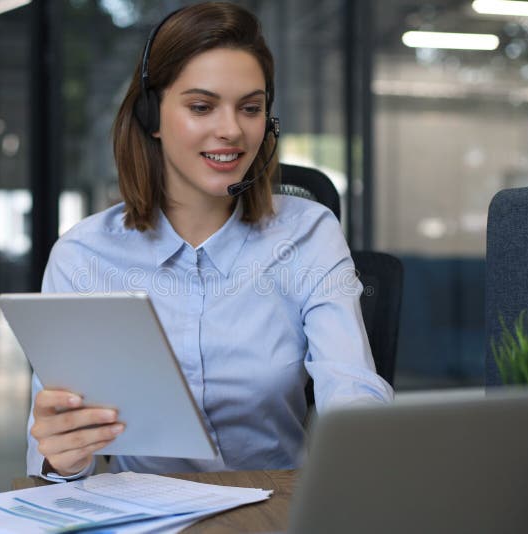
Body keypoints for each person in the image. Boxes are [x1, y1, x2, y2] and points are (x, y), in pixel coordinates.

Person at [27, 1, 393, 481]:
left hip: (275, 510)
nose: (231, 130)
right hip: (145, 514)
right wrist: (64, 457)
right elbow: (52, 457)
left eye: (251, 108)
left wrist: (366, 448)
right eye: (202, 106)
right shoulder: (84, 257)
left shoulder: (308, 234)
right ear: (151, 117)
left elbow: (351, 388)